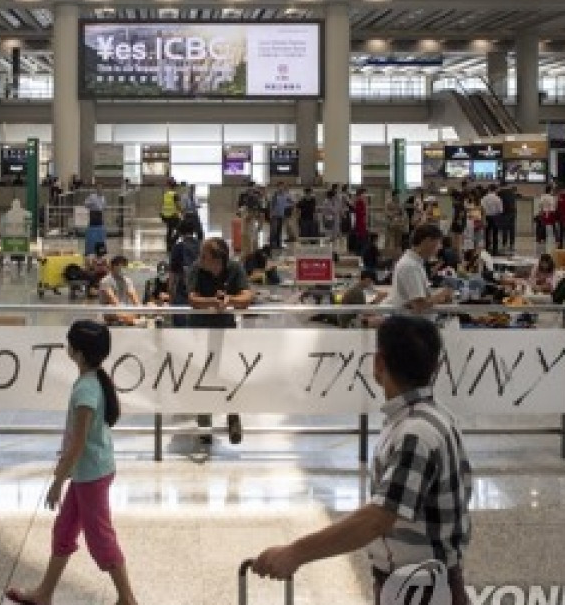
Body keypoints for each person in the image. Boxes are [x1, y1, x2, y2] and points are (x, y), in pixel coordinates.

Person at [252, 315, 472, 605]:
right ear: (435, 366)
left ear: (378, 363)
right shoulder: (433, 416)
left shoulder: (415, 433)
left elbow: (378, 518)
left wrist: (295, 553)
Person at [4, 321, 138, 605]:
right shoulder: (93, 380)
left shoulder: (86, 390)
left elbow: (77, 445)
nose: (67, 348)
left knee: (100, 537)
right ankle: (44, 593)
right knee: (64, 530)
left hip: (91, 475)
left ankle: (127, 598)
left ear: (77, 353)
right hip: (87, 473)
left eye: (69, 344)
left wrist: (56, 483)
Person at [187, 237, 253, 444]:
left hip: (225, 332)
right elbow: (192, 298)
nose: (200, 259)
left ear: (218, 260)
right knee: (202, 375)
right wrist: (212, 302)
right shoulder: (196, 270)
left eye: (204, 256)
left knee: (229, 376)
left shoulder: (235, 269)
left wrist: (231, 300)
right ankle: (204, 422)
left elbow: (247, 296)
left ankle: (233, 419)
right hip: (199, 332)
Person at [383, 224, 453, 314]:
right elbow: (419, 305)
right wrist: (443, 293)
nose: (440, 247)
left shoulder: (415, 263)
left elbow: (417, 300)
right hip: (412, 324)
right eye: (438, 243)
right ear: (427, 241)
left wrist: (439, 298)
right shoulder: (410, 266)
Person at [98, 255, 143, 326]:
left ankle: (127, 320)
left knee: (138, 310)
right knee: (118, 313)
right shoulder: (105, 281)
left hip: (124, 308)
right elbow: (112, 299)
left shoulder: (127, 280)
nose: (123, 267)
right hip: (110, 309)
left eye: (124, 265)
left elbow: (133, 296)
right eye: (120, 265)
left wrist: (140, 308)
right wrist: (126, 312)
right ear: (113, 266)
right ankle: (133, 321)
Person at [268, 182, 293, 251]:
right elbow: (271, 204)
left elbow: (290, 203)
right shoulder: (275, 195)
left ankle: (278, 244)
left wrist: (291, 202)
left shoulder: (285, 195)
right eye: (280, 186)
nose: (281, 188)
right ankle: (272, 244)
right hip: (275, 215)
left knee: (279, 230)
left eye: (282, 186)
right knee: (274, 230)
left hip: (281, 215)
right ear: (278, 187)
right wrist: (271, 213)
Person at [160, 181, 182, 249]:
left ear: (169, 186)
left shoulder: (166, 194)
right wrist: (182, 212)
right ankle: (172, 242)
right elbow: (178, 205)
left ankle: (168, 245)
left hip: (165, 215)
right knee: (181, 229)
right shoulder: (175, 194)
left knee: (170, 229)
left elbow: (163, 204)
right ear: (175, 187)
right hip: (173, 215)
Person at [554, 184, 565, 249]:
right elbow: (557, 208)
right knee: (562, 231)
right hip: (562, 218)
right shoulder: (561, 197)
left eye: (561, 190)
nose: (560, 192)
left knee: (564, 231)